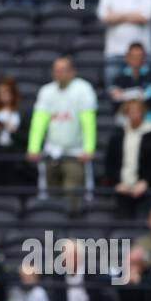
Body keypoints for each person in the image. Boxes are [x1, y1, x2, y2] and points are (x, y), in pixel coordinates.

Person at [27, 55, 97, 212]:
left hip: (75, 151)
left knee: (72, 190)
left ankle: (72, 223)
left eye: (63, 70)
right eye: (56, 70)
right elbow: (39, 120)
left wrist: (89, 148)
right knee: (51, 192)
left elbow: (88, 120)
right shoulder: (46, 91)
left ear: (72, 72)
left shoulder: (83, 89)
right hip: (52, 150)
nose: (58, 74)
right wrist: (33, 147)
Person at [102, 97, 151, 219]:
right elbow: (110, 161)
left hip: (145, 189)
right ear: (126, 113)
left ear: (143, 113)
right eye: (130, 111)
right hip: (122, 188)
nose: (134, 114)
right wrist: (117, 183)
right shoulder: (118, 135)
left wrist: (145, 182)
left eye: (137, 111)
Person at [107, 42, 151, 127]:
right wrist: (140, 93)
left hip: (150, 123)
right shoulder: (119, 78)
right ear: (127, 57)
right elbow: (115, 102)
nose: (137, 59)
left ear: (144, 58)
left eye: (140, 56)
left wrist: (125, 95)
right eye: (133, 56)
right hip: (125, 125)